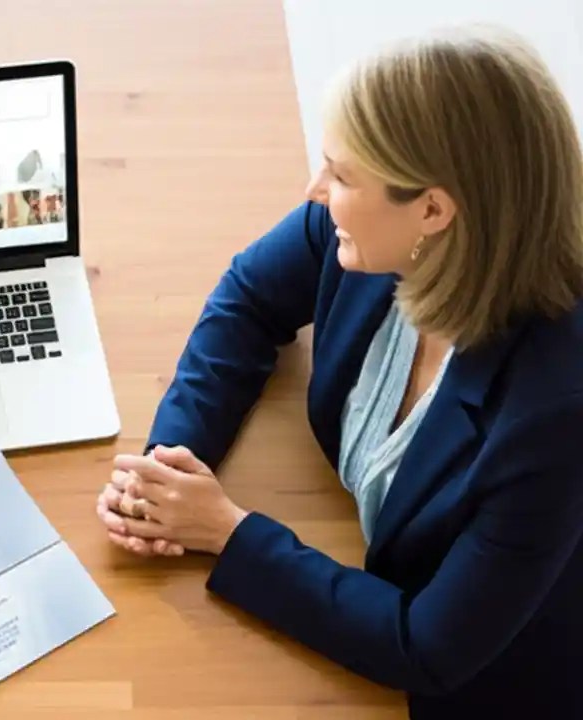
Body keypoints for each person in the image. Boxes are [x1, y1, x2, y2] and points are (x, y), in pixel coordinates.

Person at [96, 26, 583, 718]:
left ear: (434, 209)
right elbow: (248, 298)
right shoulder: (368, 233)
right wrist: (172, 466)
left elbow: (428, 647)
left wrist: (228, 532)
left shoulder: (555, 416)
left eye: (342, 173)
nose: (315, 190)